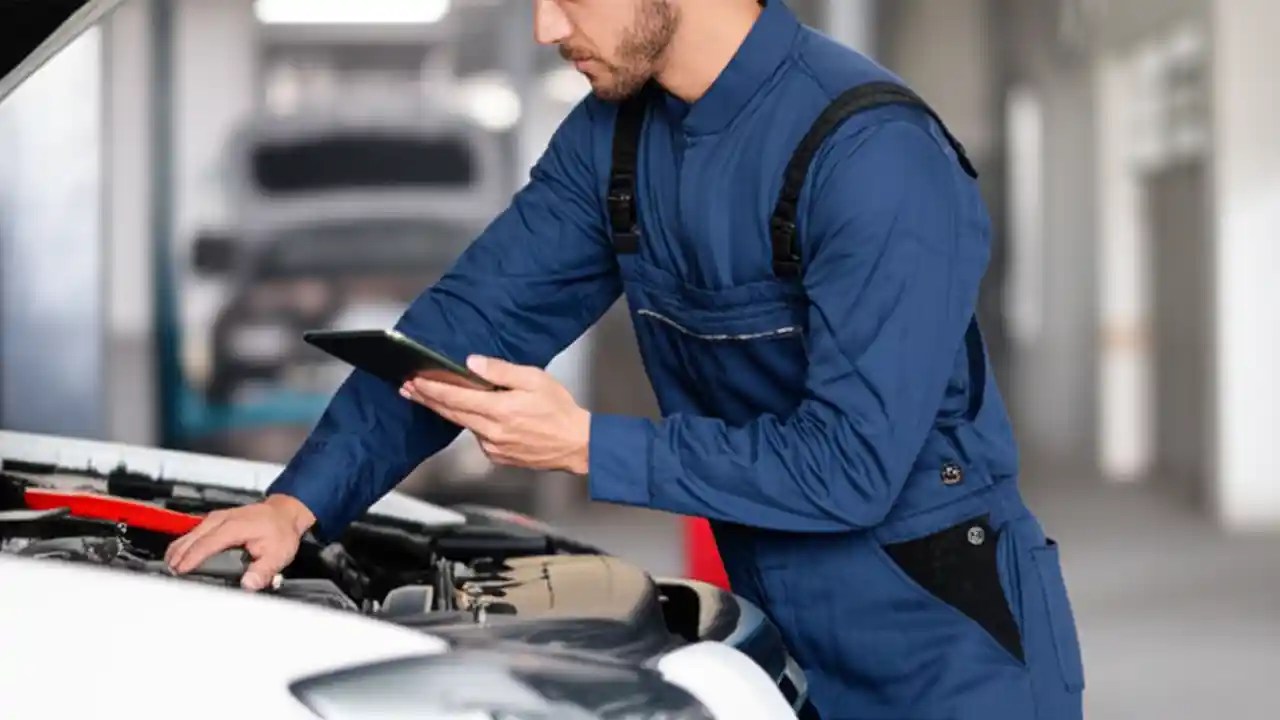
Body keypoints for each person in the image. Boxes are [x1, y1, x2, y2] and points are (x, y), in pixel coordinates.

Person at [166, 1, 1085, 717]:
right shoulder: (616, 138)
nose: (543, 28)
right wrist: (299, 503)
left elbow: (851, 467)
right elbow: (463, 328)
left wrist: (586, 446)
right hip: (775, 641)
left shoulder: (872, 155)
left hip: (947, 657)